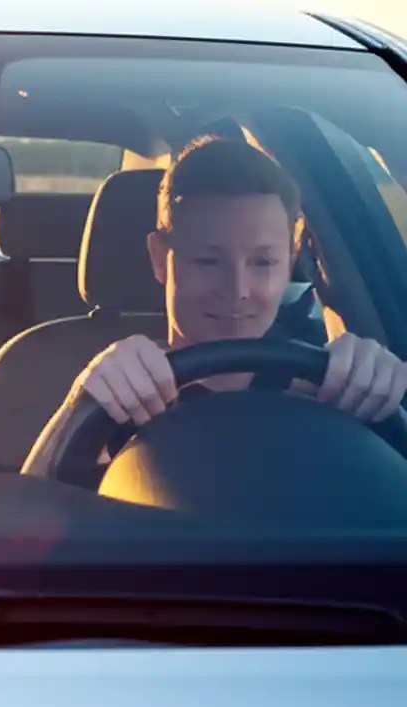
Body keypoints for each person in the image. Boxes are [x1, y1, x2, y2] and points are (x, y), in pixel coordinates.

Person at [29, 136, 407, 475]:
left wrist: (380, 390)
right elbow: (32, 517)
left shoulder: (330, 391)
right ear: (161, 259)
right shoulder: (119, 398)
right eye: (208, 261)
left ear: (290, 260)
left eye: (263, 263)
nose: (238, 289)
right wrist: (80, 406)